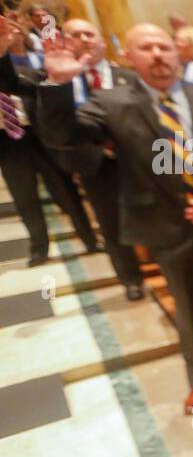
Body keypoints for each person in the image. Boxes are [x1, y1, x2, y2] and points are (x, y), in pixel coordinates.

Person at [37, 23, 193, 411]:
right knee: (189, 310)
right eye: (147, 48)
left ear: (177, 54)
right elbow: (63, 136)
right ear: (129, 57)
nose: (158, 55)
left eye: (165, 47)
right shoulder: (113, 102)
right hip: (167, 225)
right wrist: (57, 85)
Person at [39, 17, 145, 296]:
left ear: (101, 41)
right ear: (65, 41)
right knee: (112, 225)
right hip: (94, 164)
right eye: (76, 34)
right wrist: (58, 82)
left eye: (89, 34)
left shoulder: (130, 77)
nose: (84, 39)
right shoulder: (58, 79)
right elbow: (55, 129)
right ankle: (131, 279)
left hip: (136, 161)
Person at [0, 19, 102, 265]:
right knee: (25, 198)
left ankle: (89, 239)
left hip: (39, 136)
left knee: (65, 190)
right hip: (7, 142)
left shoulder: (25, 70)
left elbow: (16, 84)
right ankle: (39, 249)